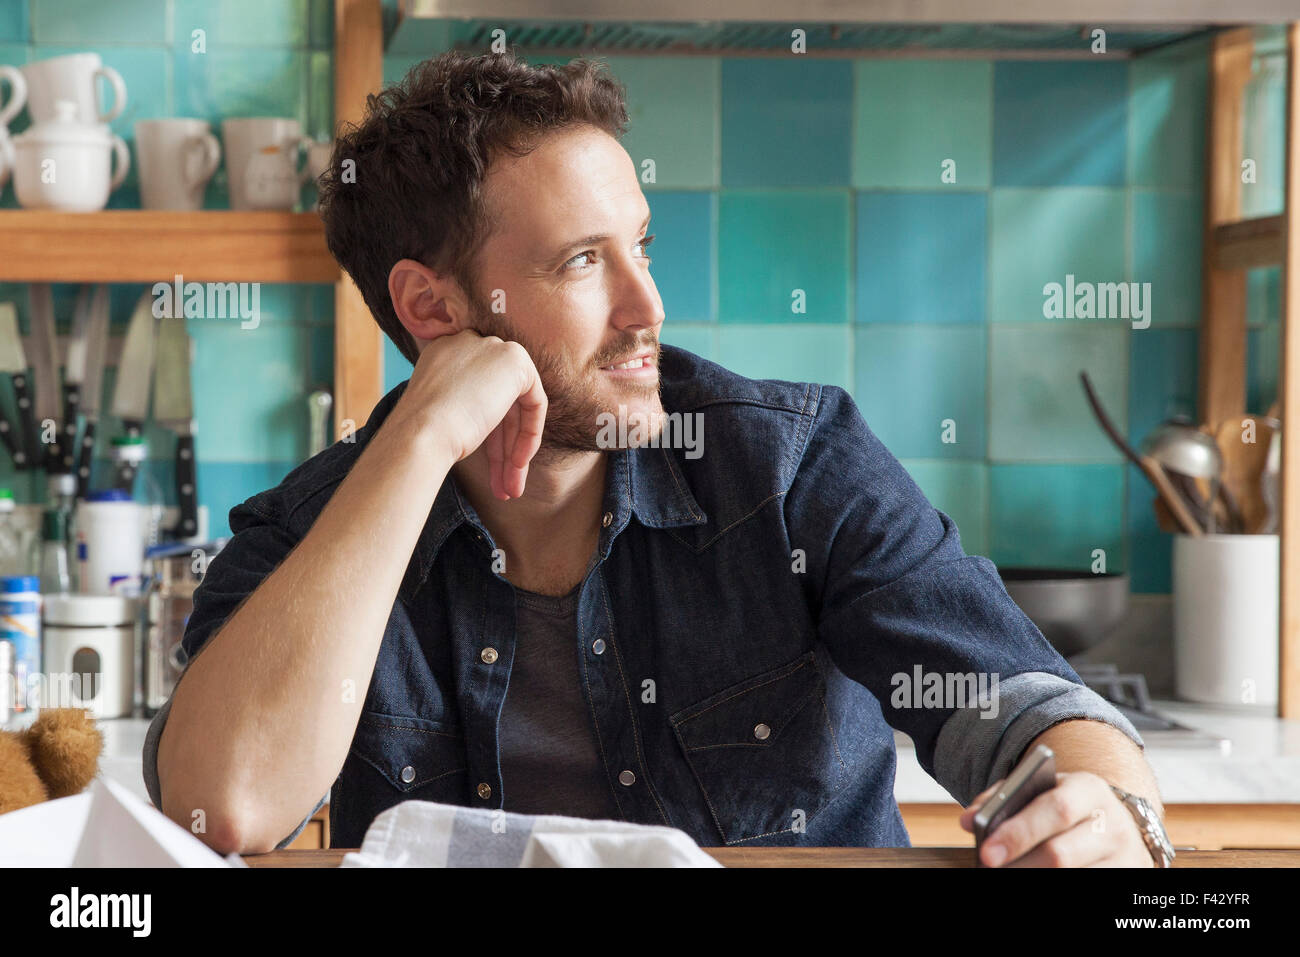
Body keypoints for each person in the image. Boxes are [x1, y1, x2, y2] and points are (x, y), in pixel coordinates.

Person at [146, 51, 1171, 866]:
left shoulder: (788, 463)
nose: (648, 309)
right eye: (584, 261)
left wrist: (1105, 808)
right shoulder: (315, 528)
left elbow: (1022, 710)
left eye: (641, 245)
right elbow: (220, 808)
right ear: (431, 308)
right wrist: (418, 438)